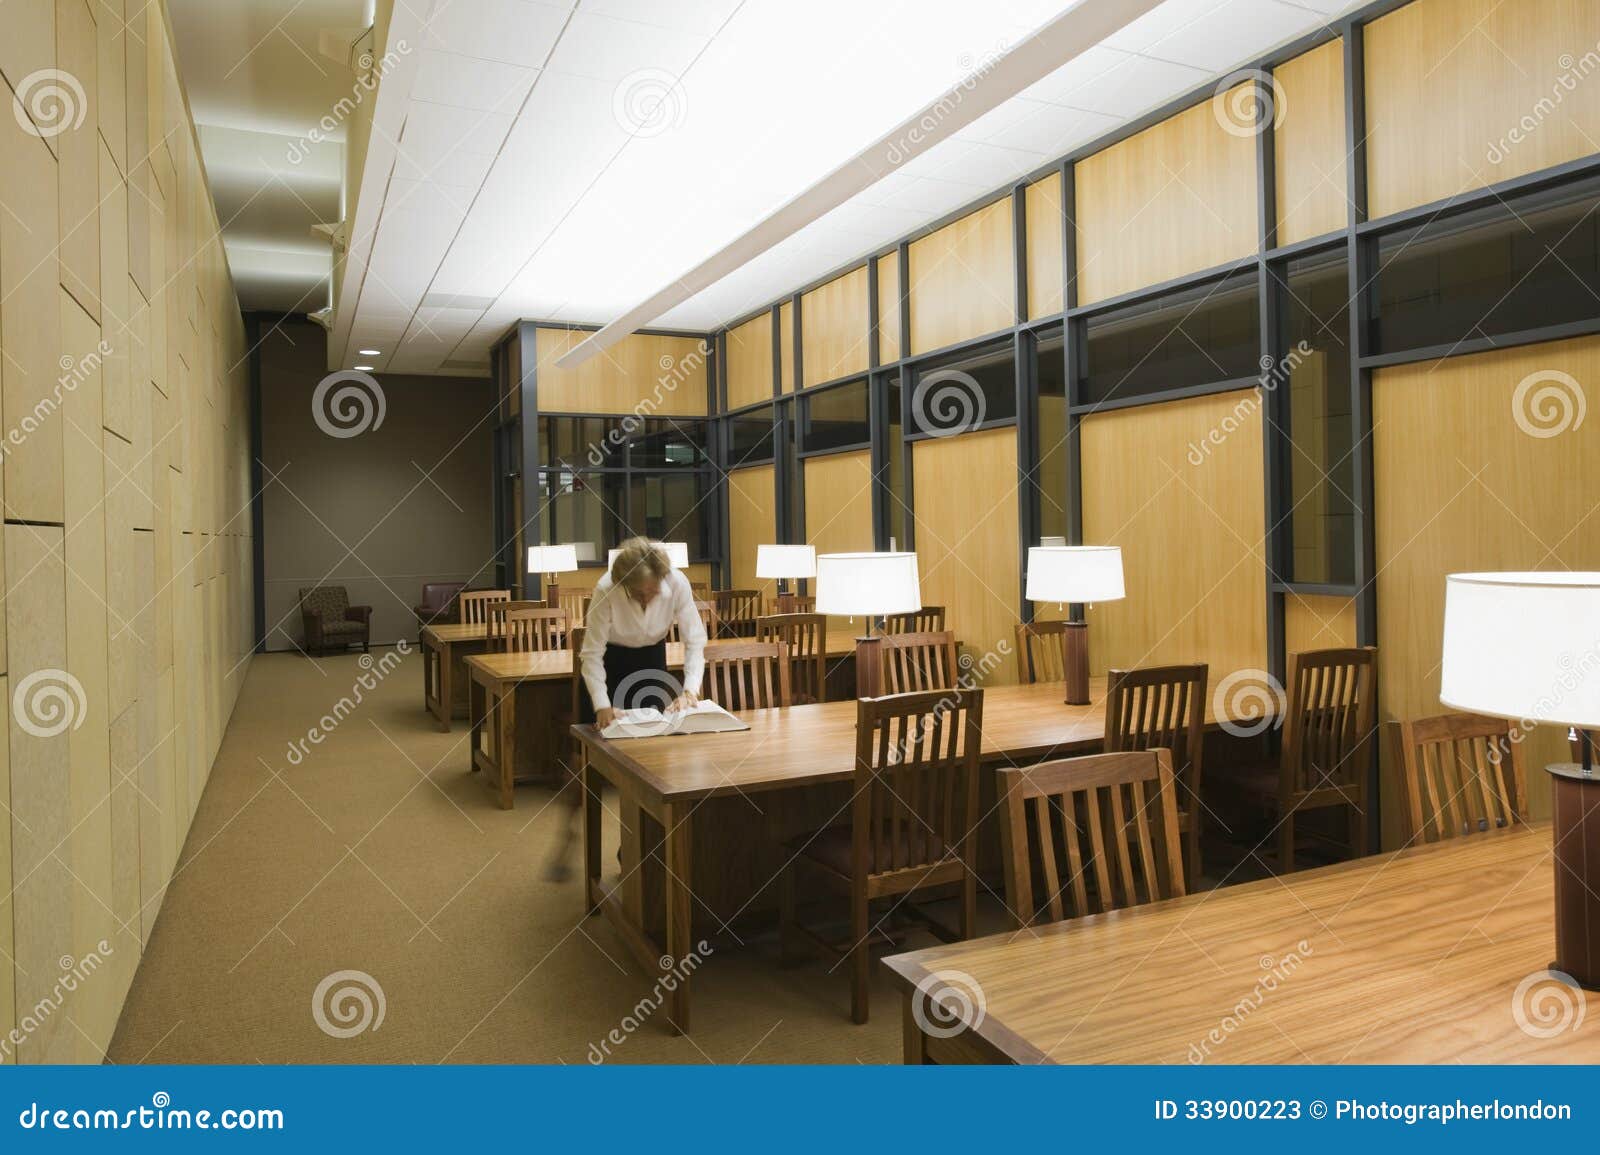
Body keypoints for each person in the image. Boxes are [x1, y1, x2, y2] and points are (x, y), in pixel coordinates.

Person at [546, 537, 707, 880]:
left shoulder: (676, 582)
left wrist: (691, 689)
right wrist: (602, 705)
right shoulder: (606, 587)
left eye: (651, 592)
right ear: (623, 584)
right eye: (638, 593)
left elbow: (695, 639)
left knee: (648, 762)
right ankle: (568, 836)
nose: (646, 598)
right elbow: (591, 654)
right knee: (583, 760)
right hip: (609, 663)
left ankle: (630, 851)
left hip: (650, 661)